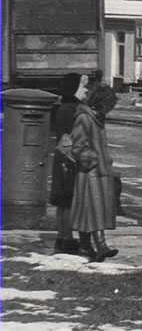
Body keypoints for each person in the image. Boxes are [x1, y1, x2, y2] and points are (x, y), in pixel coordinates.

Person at [69, 83, 120, 262]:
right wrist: (94, 160)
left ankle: (86, 247)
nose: (109, 109)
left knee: (89, 211)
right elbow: (78, 145)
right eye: (109, 105)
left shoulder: (95, 116)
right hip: (91, 172)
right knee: (94, 210)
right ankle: (101, 246)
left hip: (96, 171)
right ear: (101, 102)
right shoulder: (85, 118)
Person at [48, 73, 88, 254]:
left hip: (62, 157)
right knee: (69, 200)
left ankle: (62, 238)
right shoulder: (74, 109)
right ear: (74, 89)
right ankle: (68, 240)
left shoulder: (63, 107)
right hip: (70, 158)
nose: (86, 90)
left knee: (63, 201)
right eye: (83, 86)